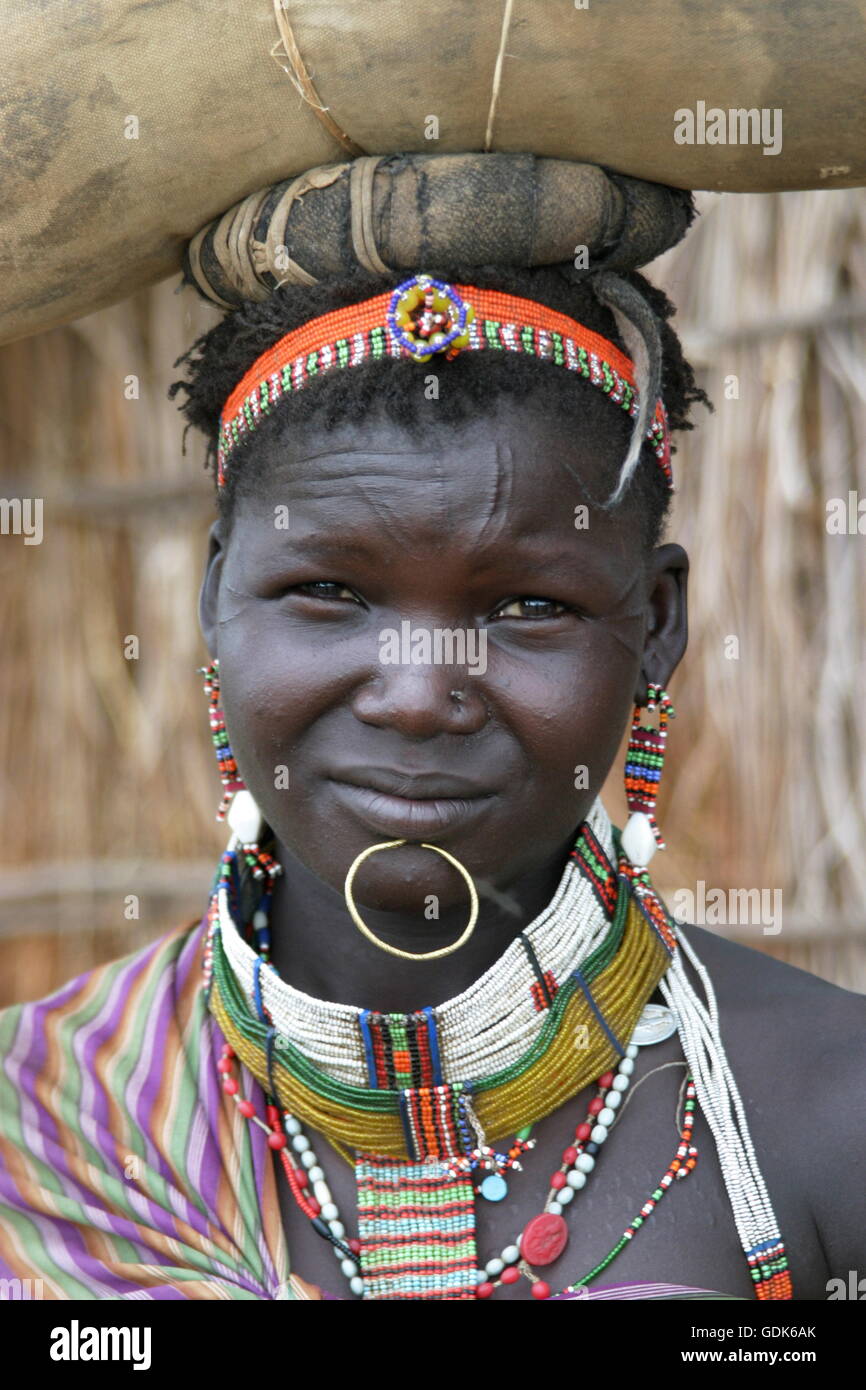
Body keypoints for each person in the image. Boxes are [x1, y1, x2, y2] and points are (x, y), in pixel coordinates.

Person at [1, 262, 863, 1302]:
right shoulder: (43, 1122)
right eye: (326, 591)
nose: (416, 697)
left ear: (656, 628)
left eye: (524, 607)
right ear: (216, 592)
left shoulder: (827, 1112)